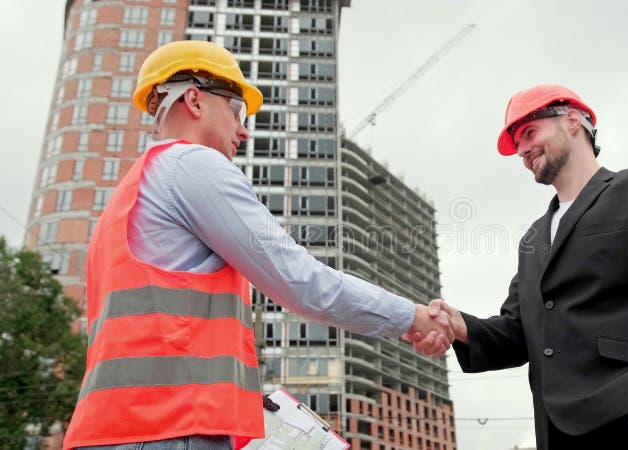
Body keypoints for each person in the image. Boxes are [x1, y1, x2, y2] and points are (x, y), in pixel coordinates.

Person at [63, 41, 452, 450]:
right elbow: (301, 282)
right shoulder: (191, 165)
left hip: (113, 430)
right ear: (195, 100)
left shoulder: (128, 195)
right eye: (237, 110)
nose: (244, 131)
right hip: (171, 429)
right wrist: (411, 317)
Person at [413, 84, 628, 449]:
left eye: (529, 132)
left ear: (573, 120)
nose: (522, 150)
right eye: (516, 145)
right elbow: (519, 333)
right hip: (555, 434)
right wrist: (458, 325)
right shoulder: (534, 239)